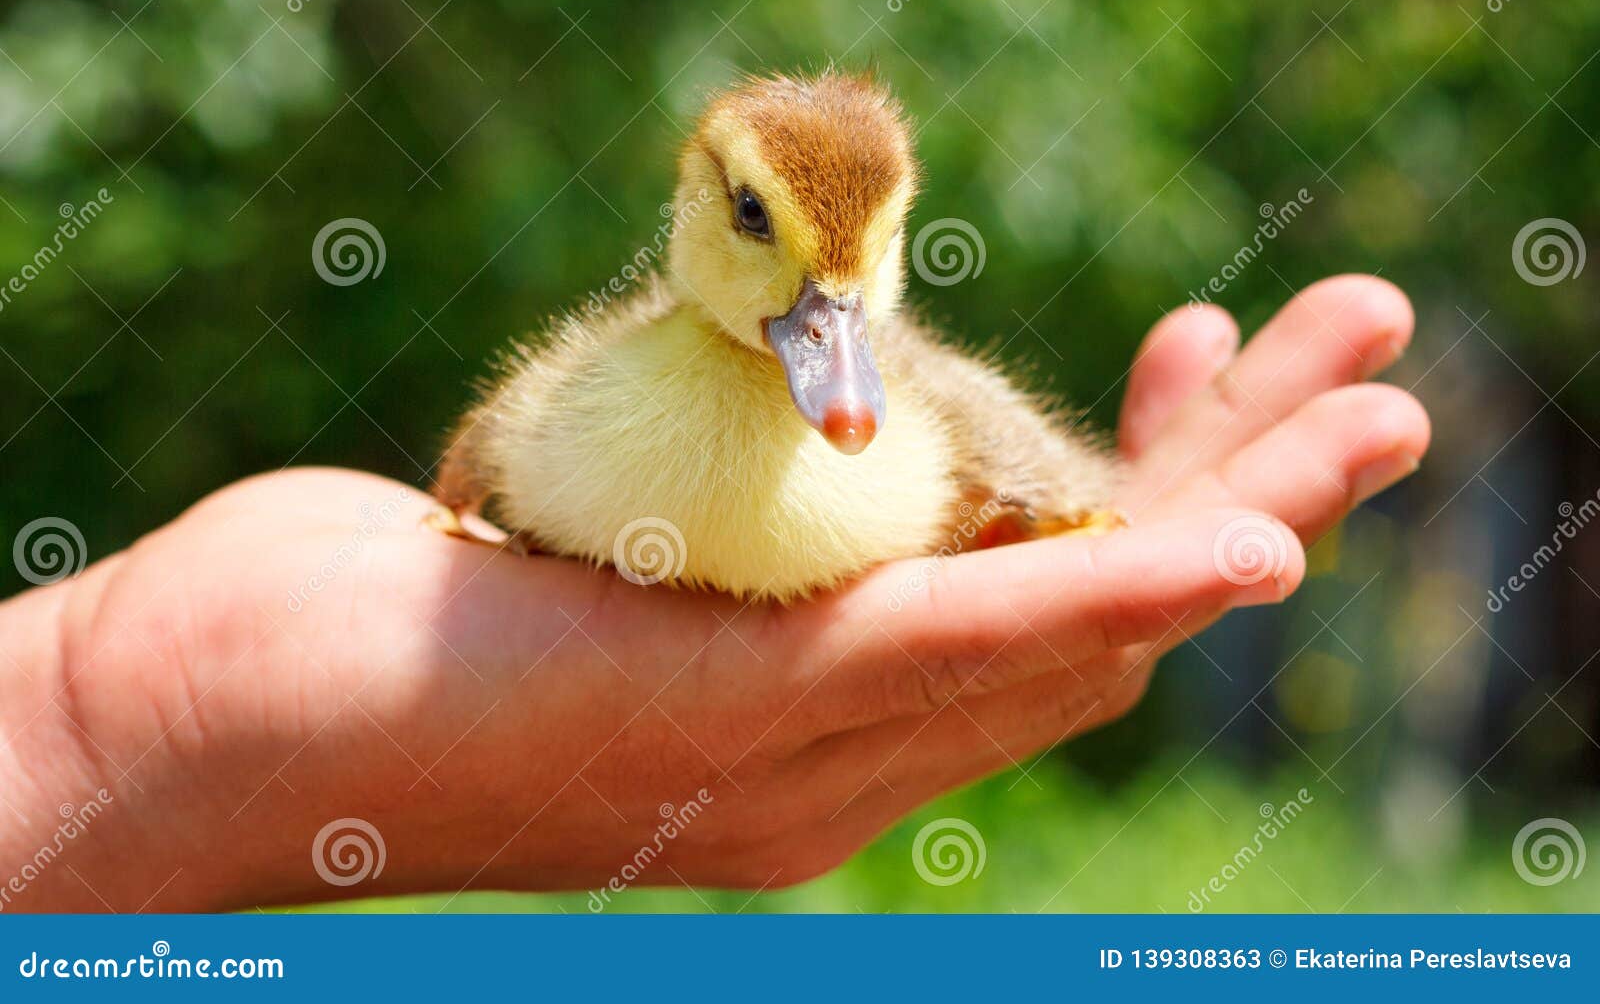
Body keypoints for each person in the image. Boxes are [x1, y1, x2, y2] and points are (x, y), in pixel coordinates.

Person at [0, 277, 1428, 911]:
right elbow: (514, 431)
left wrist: (96, 733)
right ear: (701, 204)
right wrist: (101, 732)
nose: (833, 345)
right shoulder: (576, 415)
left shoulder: (888, 383)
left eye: (853, 290)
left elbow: (933, 399)